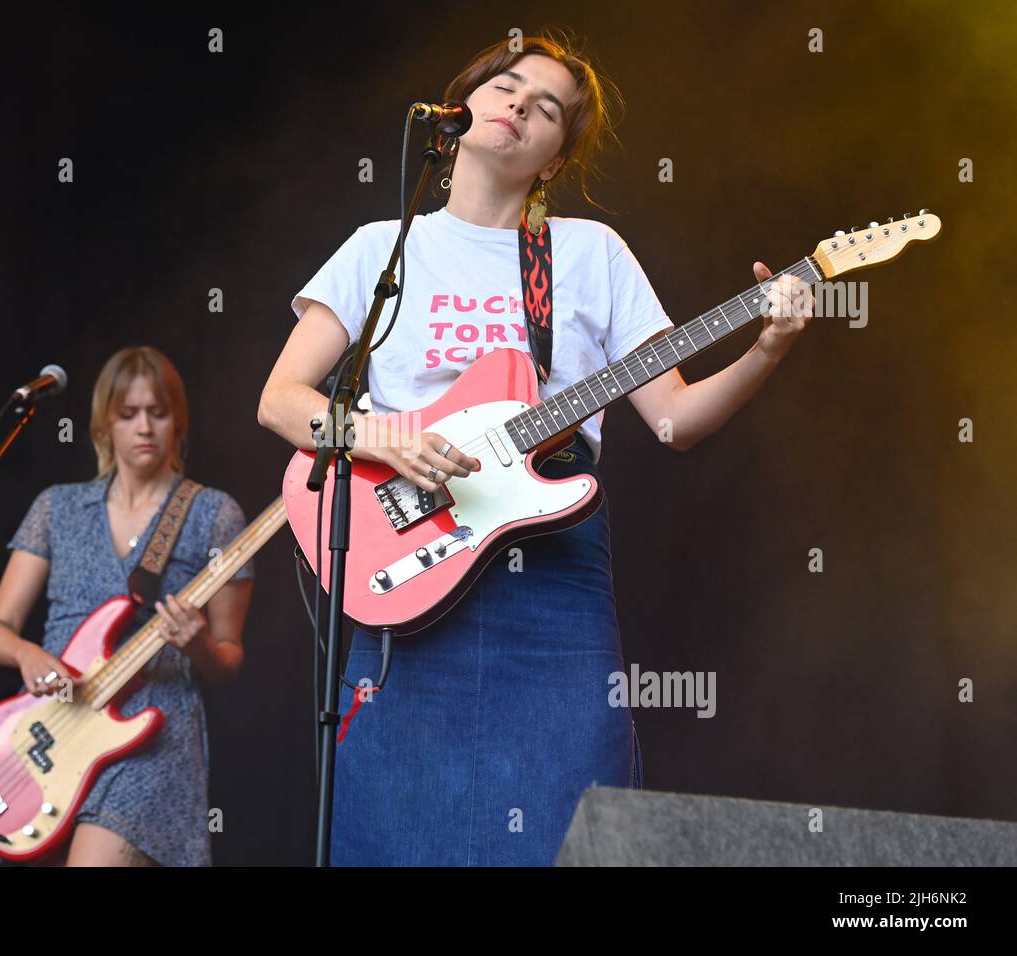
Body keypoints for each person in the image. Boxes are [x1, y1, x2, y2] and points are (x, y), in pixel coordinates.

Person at [257, 32, 813, 865]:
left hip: (550, 578)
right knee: (398, 821)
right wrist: (385, 437)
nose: (518, 105)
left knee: (568, 818)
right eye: (506, 86)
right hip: (410, 560)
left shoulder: (589, 255)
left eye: (546, 106)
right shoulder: (383, 247)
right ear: (463, 106)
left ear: (554, 160)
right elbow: (281, 401)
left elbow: (674, 420)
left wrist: (765, 349)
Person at [0, 345, 255, 866]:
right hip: (51, 733)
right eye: (128, 415)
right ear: (104, 425)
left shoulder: (212, 514)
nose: (145, 427)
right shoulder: (57, 508)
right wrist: (27, 656)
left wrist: (197, 646)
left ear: (179, 421)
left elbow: (229, 657)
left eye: (158, 412)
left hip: (149, 740)